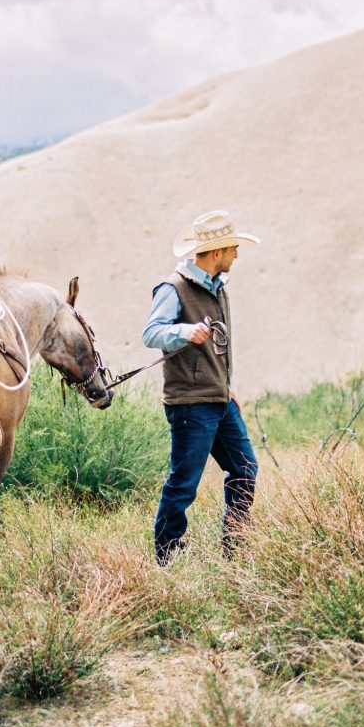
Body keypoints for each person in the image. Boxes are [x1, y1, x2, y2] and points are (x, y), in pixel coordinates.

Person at [143, 210, 260, 566]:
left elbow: (219, 348)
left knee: (245, 468)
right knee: (184, 483)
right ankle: (167, 555)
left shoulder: (218, 289)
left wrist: (229, 386)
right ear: (215, 253)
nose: (236, 255)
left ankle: (235, 545)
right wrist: (183, 331)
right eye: (232, 249)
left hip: (220, 400)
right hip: (190, 404)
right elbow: (151, 333)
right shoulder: (173, 288)